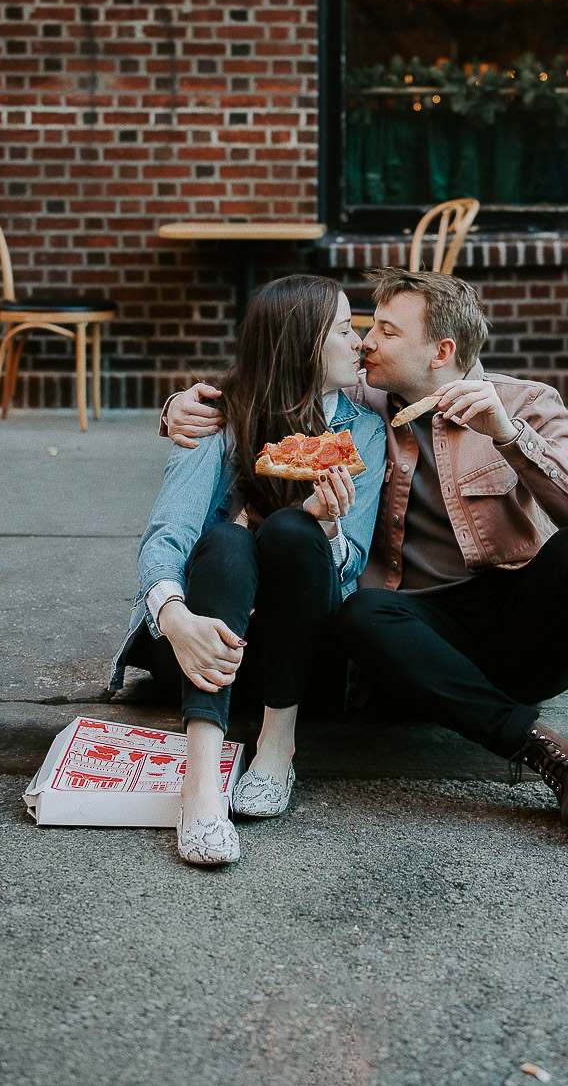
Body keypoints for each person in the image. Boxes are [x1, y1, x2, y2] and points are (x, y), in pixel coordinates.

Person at [165, 267, 568, 875]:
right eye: (365, 328)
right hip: (418, 638)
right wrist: (179, 407)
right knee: (361, 614)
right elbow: (277, 376)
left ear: (441, 351)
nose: (364, 342)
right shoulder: (362, 406)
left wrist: (507, 434)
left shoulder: (524, 402)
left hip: (519, 626)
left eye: (386, 331)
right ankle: (550, 755)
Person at [110, 274, 386, 868]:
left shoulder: (363, 431)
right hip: (199, 644)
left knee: (291, 529)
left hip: (300, 657)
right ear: (302, 346)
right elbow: (168, 536)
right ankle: (202, 787)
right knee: (227, 542)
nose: (359, 341)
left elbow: (349, 569)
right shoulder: (217, 416)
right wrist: (175, 617)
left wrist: (325, 525)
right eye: (344, 328)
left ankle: (277, 745)